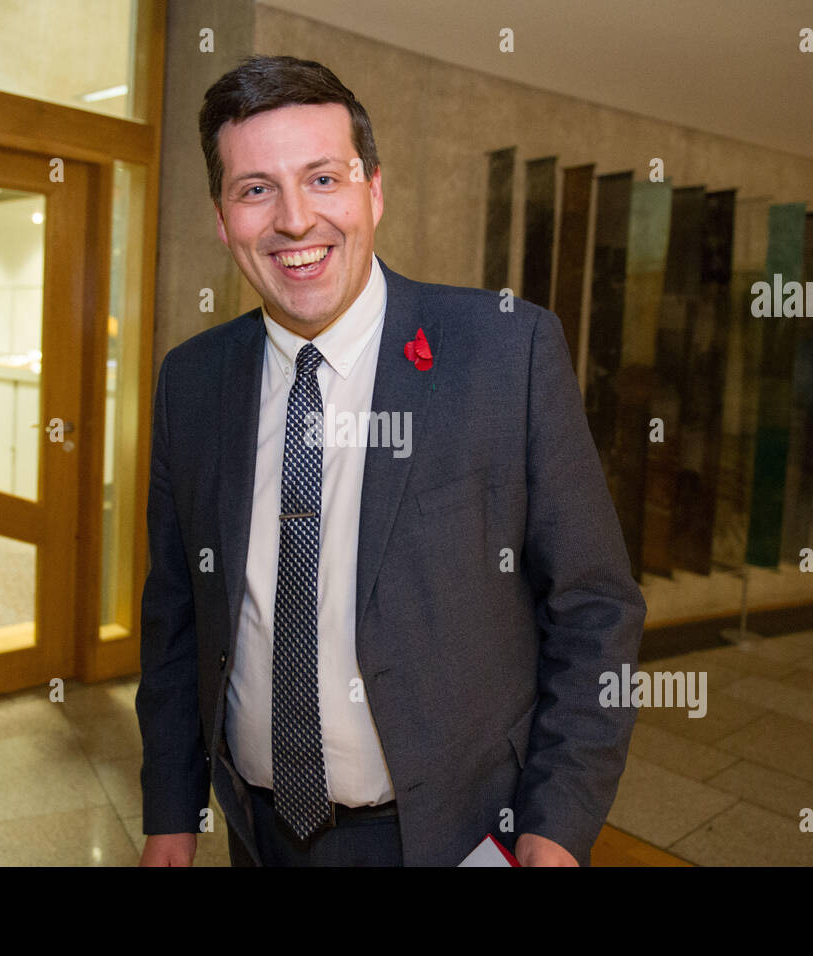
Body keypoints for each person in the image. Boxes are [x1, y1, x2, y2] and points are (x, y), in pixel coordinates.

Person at [136, 54, 645, 867]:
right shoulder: (191, 383)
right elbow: (175, 617)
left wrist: (555, 828)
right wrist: (171, 808)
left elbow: (594, 609)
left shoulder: (504, 353)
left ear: (374, 189)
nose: (295, 221)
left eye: (324, 179)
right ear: (222, 215)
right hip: (258, 836)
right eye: (256, 188)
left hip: (456, 838)